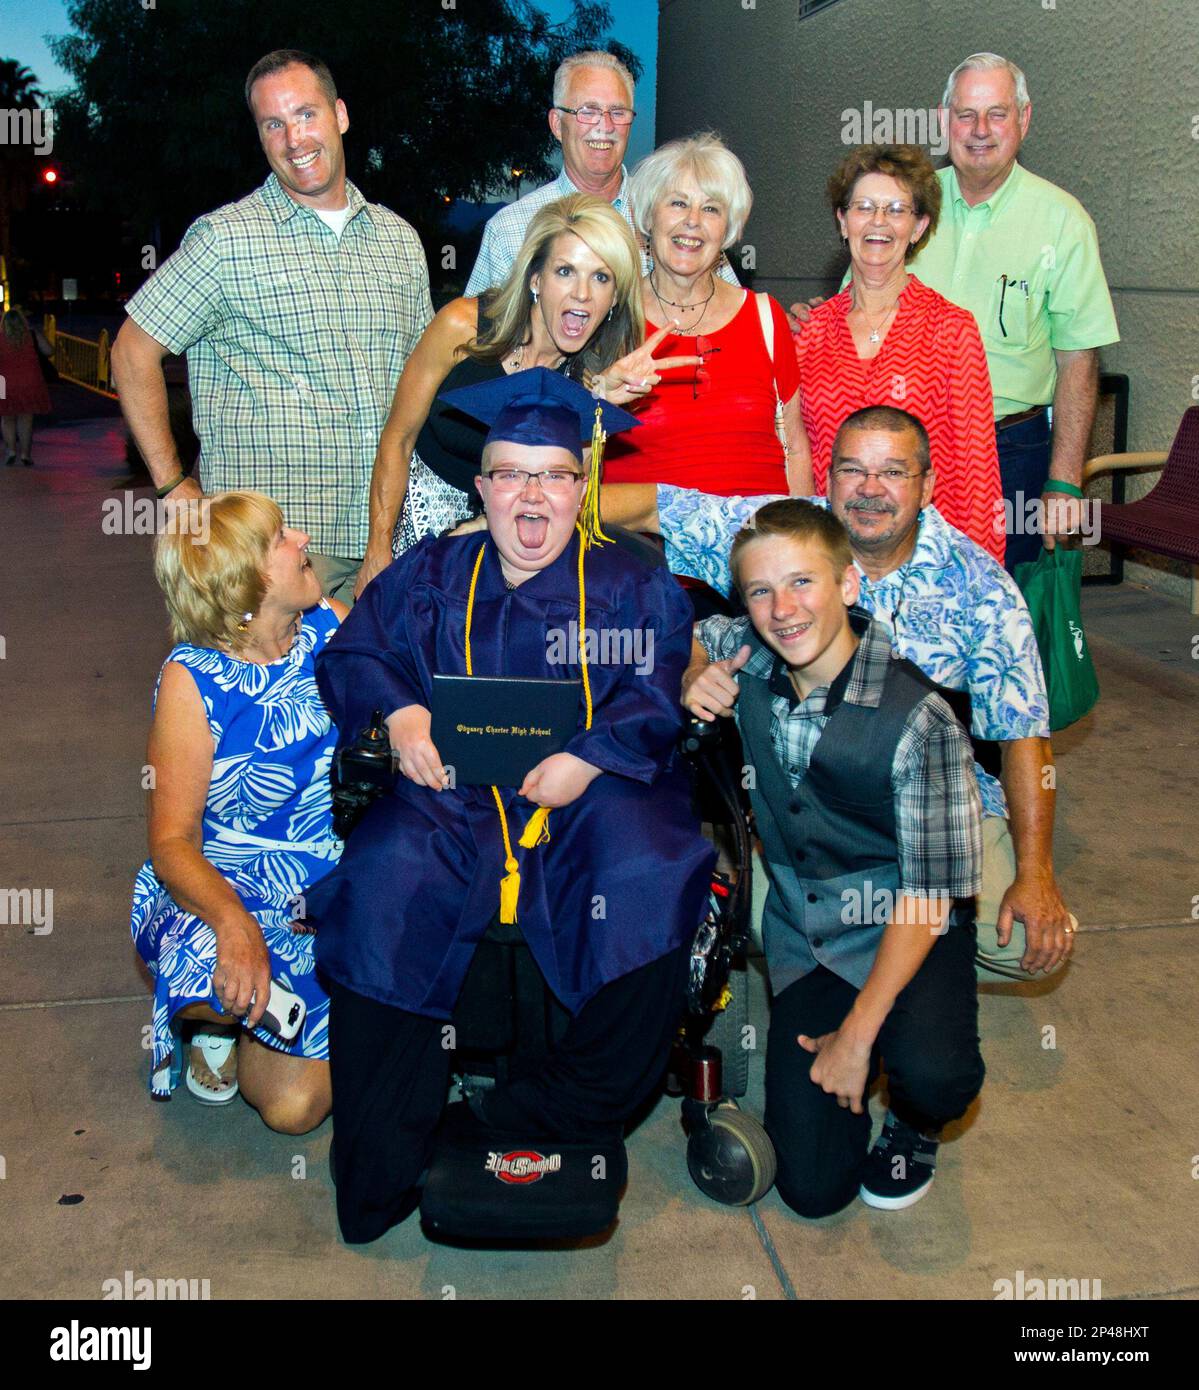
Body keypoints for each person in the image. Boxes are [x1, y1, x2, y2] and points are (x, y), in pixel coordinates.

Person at [300, 369, 715, 1243]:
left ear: (582, 487)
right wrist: (402, 712)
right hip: (449, 796)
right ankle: (384, 1158)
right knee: (384, 879)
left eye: (556, 475)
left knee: (648, 869)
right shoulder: (432, 571)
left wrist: (589, 758)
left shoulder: (632, 583)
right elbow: (354, 654)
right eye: (511, 474)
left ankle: (540, 1107)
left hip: (590, 797)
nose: (534, 494)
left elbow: (654, 693)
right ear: (481, 487)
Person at [592, 406, 1077, 980]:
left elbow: (1023, 738)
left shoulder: (979, 588)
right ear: (828, 479)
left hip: (930, 813)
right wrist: (528, 515)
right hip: (804, 814)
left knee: (1023, 943)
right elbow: (652, 504)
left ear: (927, 487)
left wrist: (1036, 872)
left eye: (894, 473)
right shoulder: (783, 529)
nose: (870, 491)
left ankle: (886, 950)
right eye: (852, 471)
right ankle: (843, 950)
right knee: (705, 916)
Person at [683, 499, 985, 1214]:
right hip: (809, 937)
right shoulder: (748, 652)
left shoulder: (922, 720)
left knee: (937, 1072)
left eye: (801, 583)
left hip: (907, 923)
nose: (781, 608)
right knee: (814, 1191)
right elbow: (690, 634)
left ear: (848, 586)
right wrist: (692, 671)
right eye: (759, 590)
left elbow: (928, 896)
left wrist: (857, 1034)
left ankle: (914, 1119)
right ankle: (852, 1068)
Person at [111, 48, 433, 605]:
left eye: (307, 115)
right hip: (269, 556)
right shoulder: (224, 239)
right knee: (256, 692)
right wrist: (171, 486)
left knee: (378, 694)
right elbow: (132, 350)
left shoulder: (400, 241)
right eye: (273, 124)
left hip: (388, 544)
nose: (294, 139)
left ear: (341, 116)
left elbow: (421, 388)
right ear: (260, 138)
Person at [797, 56, 1119, 573]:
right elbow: (853, 314)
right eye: (966, 114)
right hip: (884, 460)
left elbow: (1079, 357)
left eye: (997, 113)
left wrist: (1063, 480)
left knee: (995, 591)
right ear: (944, 119)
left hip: (1011, 449)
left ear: (1024, 119)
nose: (980, 130)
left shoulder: (1062, 221)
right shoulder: (906, 196)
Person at [356, 193, 699, 593]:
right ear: (536, 279)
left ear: (614, 300)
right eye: (566, 271)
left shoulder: (592, 376)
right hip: (413, 537)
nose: (582, 294)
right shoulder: (463, 326)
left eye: (601, 277)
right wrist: (377, 550)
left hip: (507, 554)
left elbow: (570, 499)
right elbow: (398, 438)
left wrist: (596, 407)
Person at [131, 491, 344, 1132]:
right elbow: (170, 840)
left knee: (292, 1111)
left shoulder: (330, 626)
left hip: (326, 888)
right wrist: (233, 923)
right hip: (225, 883)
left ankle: (265, 1026)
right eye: (281, 536)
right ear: (242, 579)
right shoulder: (190, 680)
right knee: (205, 963)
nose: (303, 538)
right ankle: (213, 1025)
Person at [790, 143, 1003, 564]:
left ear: (919, 226)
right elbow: (794, 454)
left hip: (925, 558)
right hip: (831, 556)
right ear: (842, 220)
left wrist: (978, 574)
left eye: (897, 209)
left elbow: (976, 472)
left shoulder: (950, 328)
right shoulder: (807, 332)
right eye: (864, 206)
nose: (879, 222)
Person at [604, 134, 811, 502]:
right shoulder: (611, 314)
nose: (693, 222)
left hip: (755, 547)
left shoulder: (765, 316)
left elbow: (794, 447)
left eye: (711, 209)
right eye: (678, 203)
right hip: (642, 550)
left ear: (728, 229)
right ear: (650, 215)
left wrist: (804, 543)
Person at [465, 50, 740, 295]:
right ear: (557, 124)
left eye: (618, 112)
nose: (605, 126)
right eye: (588, 111)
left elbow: (729, 312)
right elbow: (476, 340)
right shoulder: (511, 229)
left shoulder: (670, 217)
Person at [0, 308, 53, 466]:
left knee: (6, 418)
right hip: (30, 380)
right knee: (26, 418)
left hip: (4, 382)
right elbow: (49, 351)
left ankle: (11, 450)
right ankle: (25, 454)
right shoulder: (32, 335)